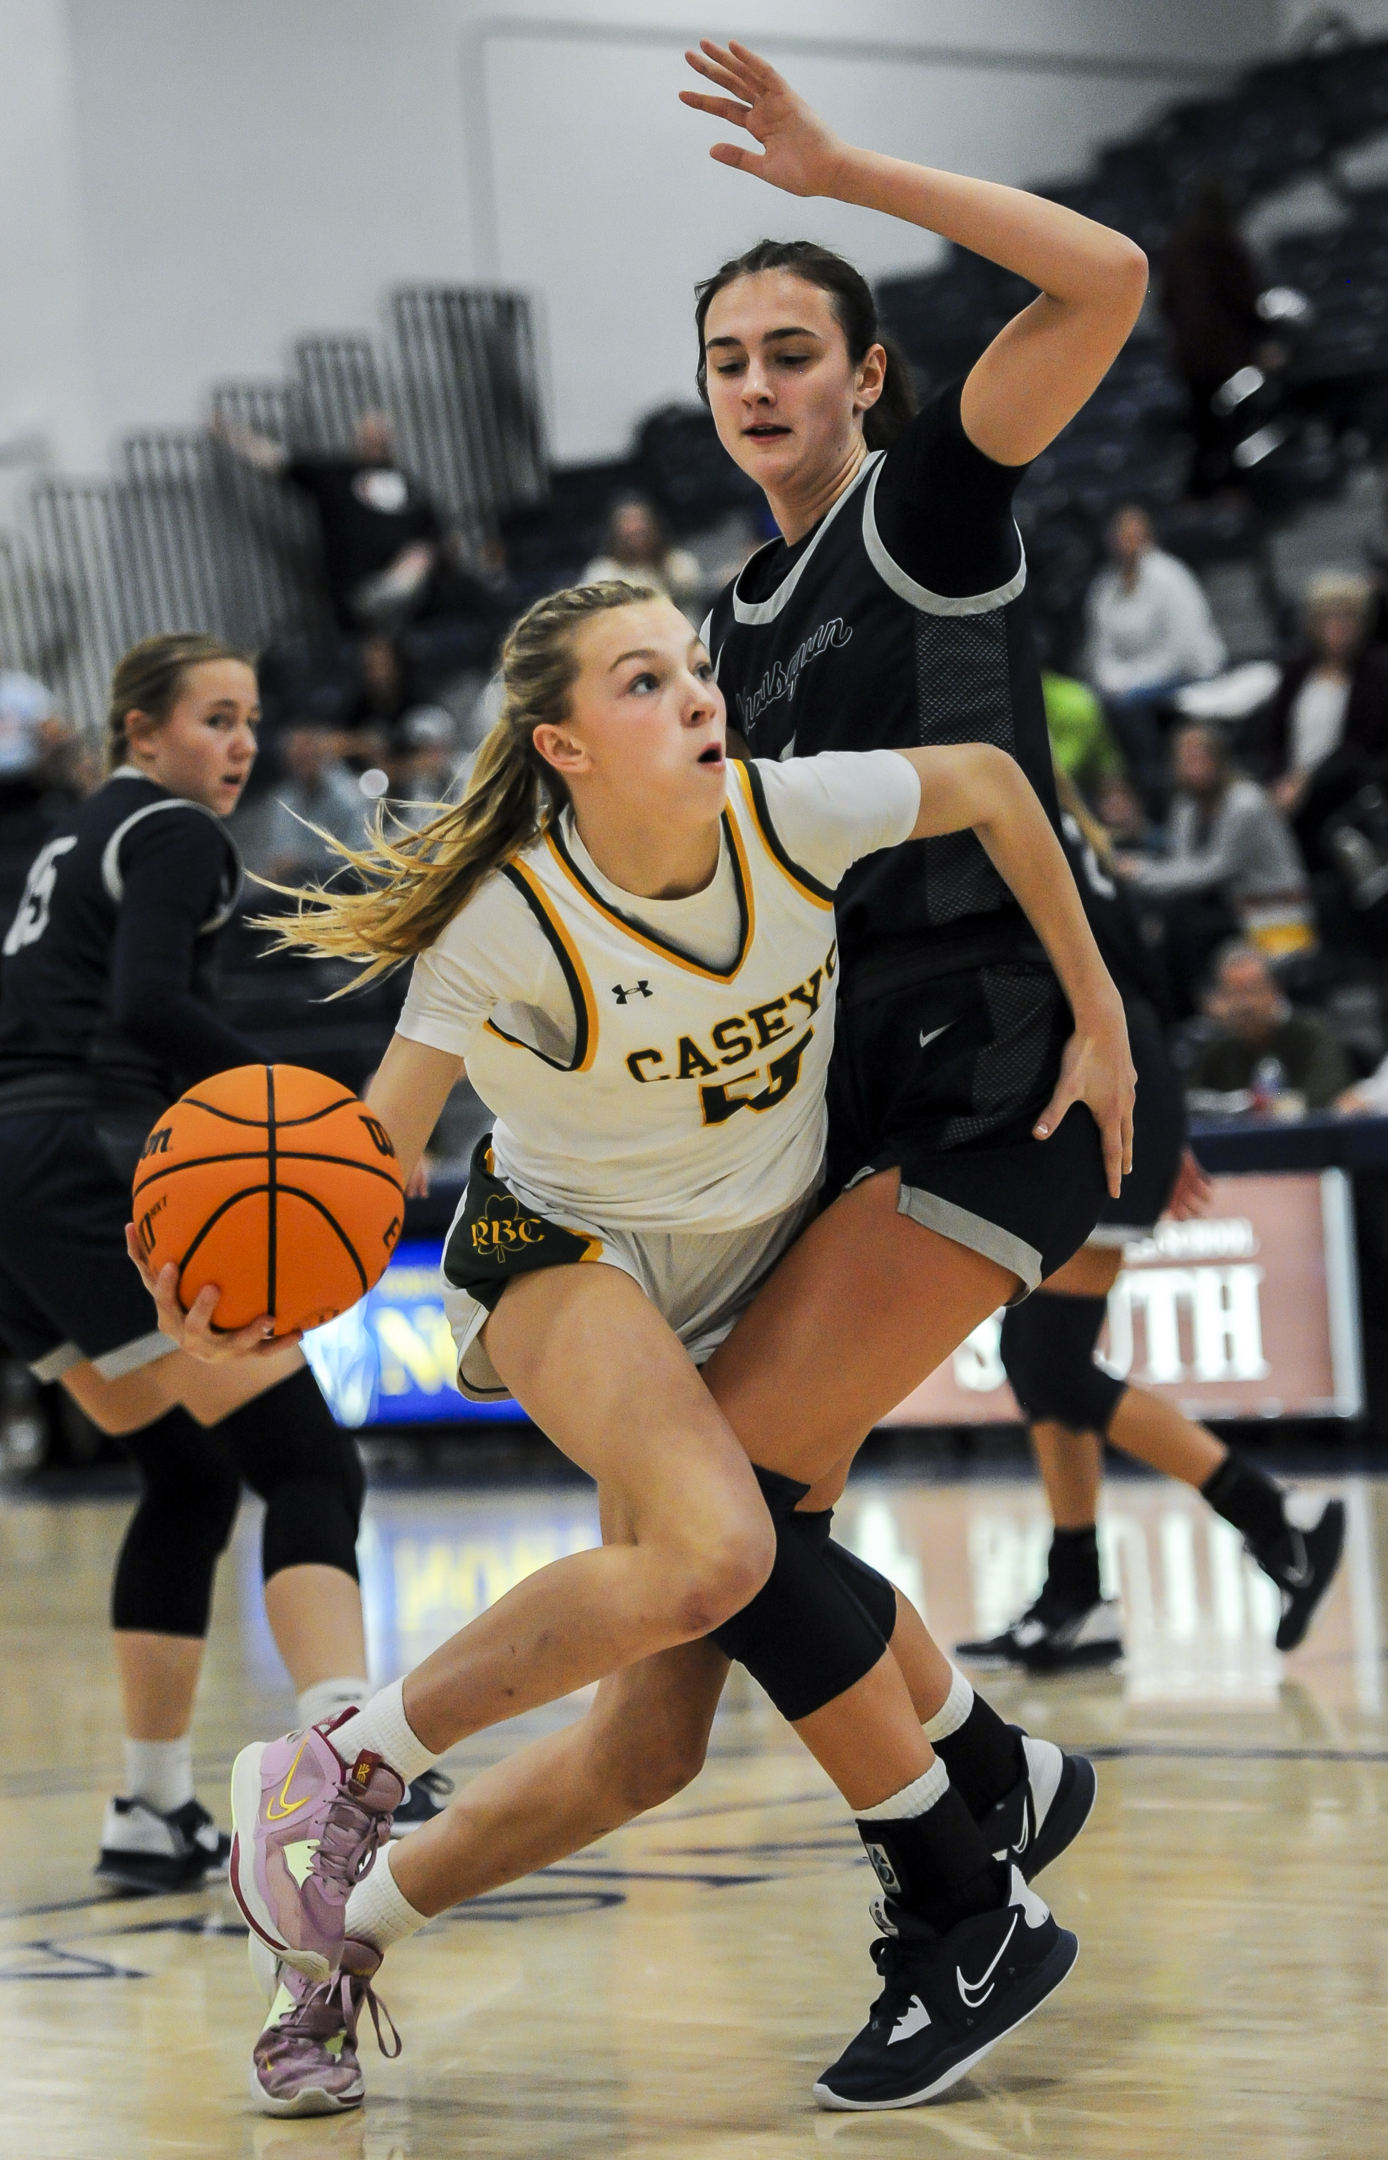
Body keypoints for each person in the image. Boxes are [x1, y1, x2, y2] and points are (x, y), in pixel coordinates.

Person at [140, 579, 1132, 2116]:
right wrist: (238, 1309)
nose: (695, 694)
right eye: (642, 680)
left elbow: (998, 783)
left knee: (647, 1751)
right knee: (728, 1546)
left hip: (751, 1271)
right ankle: (340, 1769)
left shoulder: (789, 816)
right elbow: (368, 1160)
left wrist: (1099, 1006)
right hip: (563, 1259)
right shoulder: (506, 918)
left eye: (690, 665)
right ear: (566, 745)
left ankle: (341, 1933)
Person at [0, 634, 455, 1893]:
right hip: (83, 1155)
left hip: (13, 1179)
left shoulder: (71, 837)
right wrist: (318, 1117)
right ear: (141, 734)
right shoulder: (173, 831)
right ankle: (348, 1757)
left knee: (188, 1477)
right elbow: (147, 1006)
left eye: (250, 718)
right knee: (308, 1463)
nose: (242, 741)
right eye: (213, 718)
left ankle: (151, 1812)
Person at [958, 781, 1345, 1672]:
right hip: (1107, 1075)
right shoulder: (1054, 821)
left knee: (1047, 1363)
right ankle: (1076, 1595)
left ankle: (1275, 1516)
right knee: (1042, 1360)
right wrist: (1158, 1113)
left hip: (1093, 1085)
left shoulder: (988, 806)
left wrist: (1147, 1113)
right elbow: (1140, 985)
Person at [1118, 723, 1311, 1004]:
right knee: (1172, 922)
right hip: (1226, 909)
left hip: (1270, 908)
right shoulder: (1186, 806)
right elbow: (1182, 865)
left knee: (1183, 923)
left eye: (1200, 757)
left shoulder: (1246, 803)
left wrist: (1140, 871)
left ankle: (1198, 1002)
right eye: (1185, 760)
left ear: (1219, 758)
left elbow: (1213, 869)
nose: (1193, 768)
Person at [1239, 570, 1388, 870]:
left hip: (1347, 788)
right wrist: (1280, 779)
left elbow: (1360, 746)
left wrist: (1306, 782)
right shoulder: (1296, 671)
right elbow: (1274, 737)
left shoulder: (1376, 672)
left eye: (1347, 617)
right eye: (1329, 618)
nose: (1338, 627)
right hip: (1290, 786)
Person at [1083, 506, 1226, 803]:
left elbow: (1181, 649)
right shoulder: (1104, 587)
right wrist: (1111, 679)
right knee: (1093, 704)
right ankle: (1121, 793)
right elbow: (1099, 650)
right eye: (1122, 535)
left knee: (1129, 707)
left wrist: (1132, 682)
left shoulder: (1170, 577)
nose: (1127, 543)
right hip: (1129, 683)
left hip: (1188, 672)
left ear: (1148, 536)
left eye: (1134, 535)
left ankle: (1155, 790)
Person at [1160, 176, 1270, 500]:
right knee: (1234, 427)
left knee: (1203, 429)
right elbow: (1245, 300)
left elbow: (1166, 305)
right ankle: (1235, 493)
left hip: (1190, 361)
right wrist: (1262, 336)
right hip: (1229, 358)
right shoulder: (1227, 248)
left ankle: (1201, 497)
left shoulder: (1177, 250)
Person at [1184, 937, 1350, 1110]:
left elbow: (1330, 1094)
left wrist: (1272, 1105)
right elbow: (1190, 1100)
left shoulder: (1313, 1033)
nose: (1244, 1005)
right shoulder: (1218, 1044)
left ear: (1275, 990)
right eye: (1232, 993)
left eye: (1252, 990)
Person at [583, 494, 703, 613]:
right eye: (627, 522)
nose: (635, 528)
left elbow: (693, 592)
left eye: (639, 520)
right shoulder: (603, 572)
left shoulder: (678, 563)